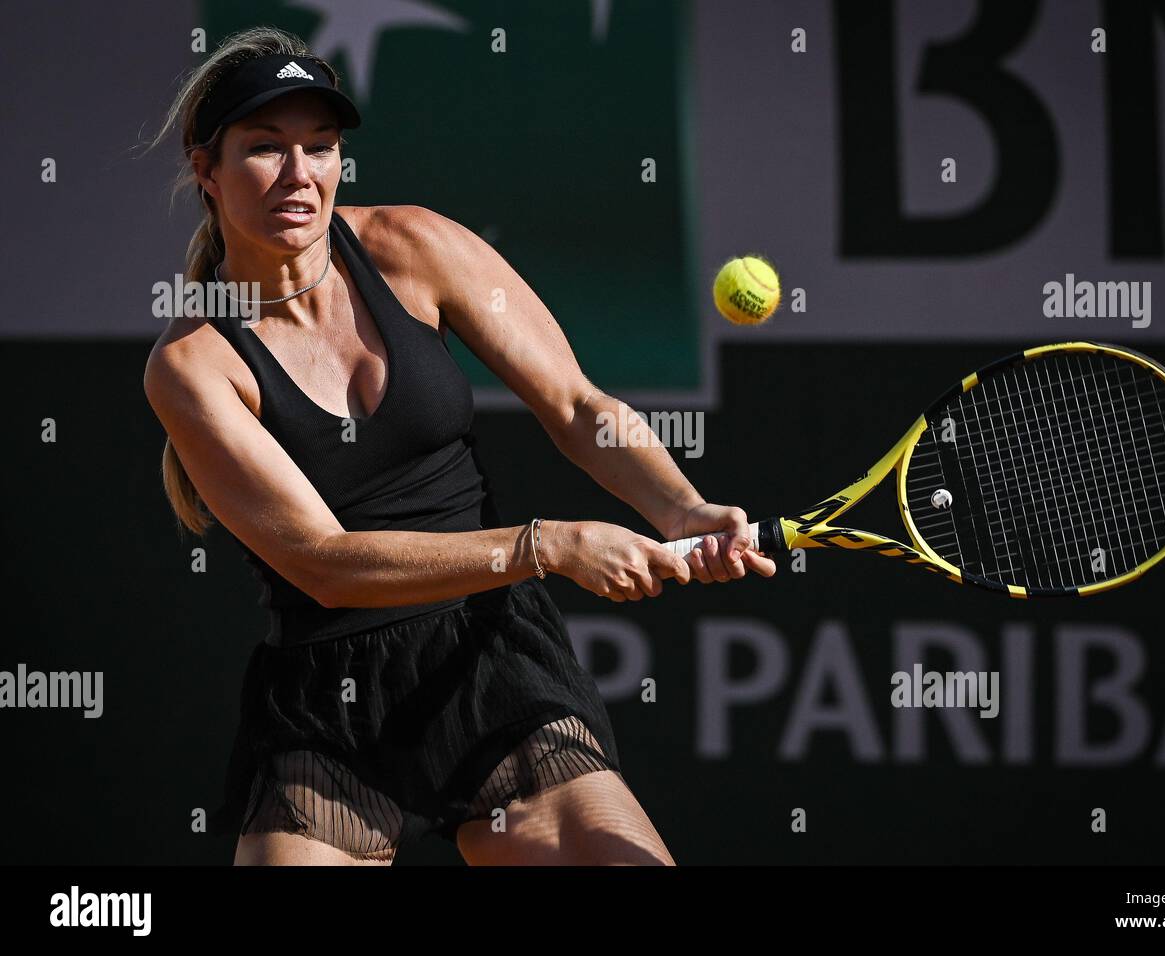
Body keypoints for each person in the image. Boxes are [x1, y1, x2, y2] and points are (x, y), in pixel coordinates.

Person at [143, 27, 776, 866]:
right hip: (327, 703)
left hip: (490, 659)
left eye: (321, 148)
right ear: (206, 170)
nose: (299, 176)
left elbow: (579, 405)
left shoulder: (415, 246)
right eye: (265, 149)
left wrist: (681, 507)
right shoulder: (191, 365)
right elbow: (324, 560)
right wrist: (546, 545)